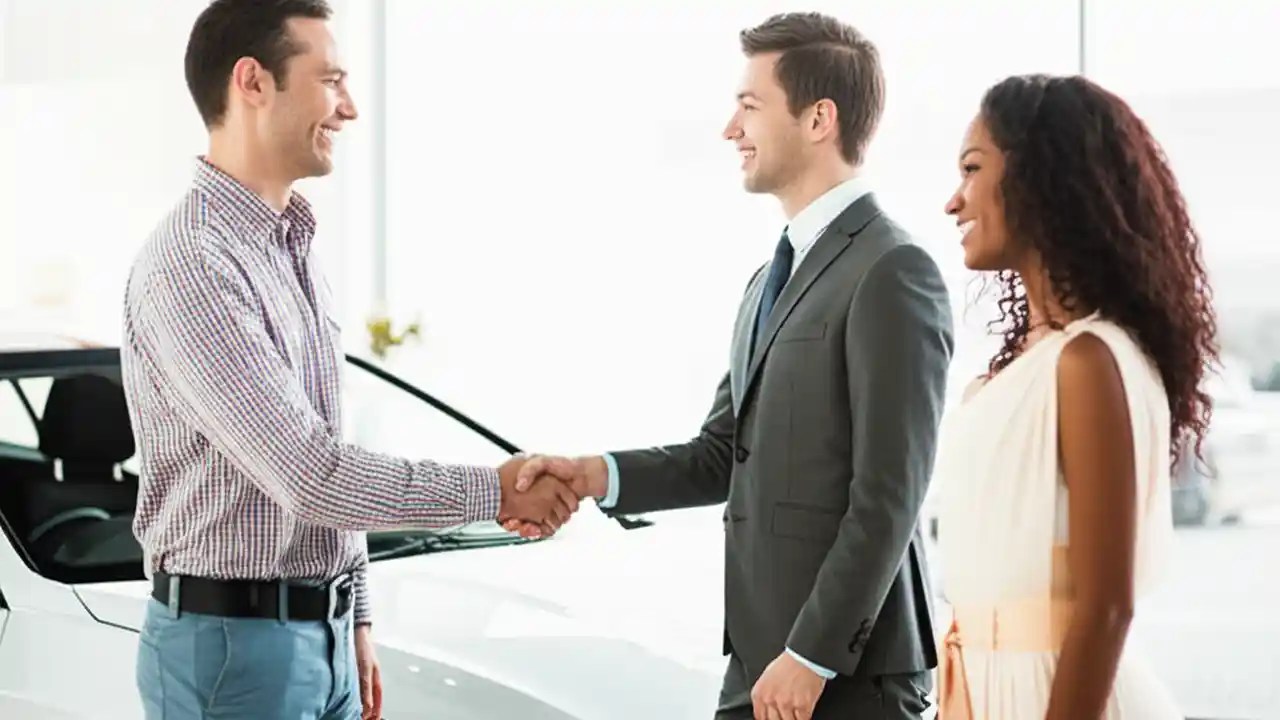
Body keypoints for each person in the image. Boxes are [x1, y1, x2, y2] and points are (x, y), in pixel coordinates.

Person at [120, 2, 580, 718]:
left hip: (315, 635)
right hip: (233, 652)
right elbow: (312, 475)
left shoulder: (288, 246)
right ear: (253, 82)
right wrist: (497, 492)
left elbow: (327, 446)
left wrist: (350, 612)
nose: (350, 107)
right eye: (330, 79)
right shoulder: (195, 264)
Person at [510, 12, 953, 719]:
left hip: (845, 676)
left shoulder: (893, 269)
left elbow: (889, 495)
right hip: (759, 662)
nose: (730, 129)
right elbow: (723, 454)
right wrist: (593, 475)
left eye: (749, 105)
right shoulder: (766, 282)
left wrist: (812, 656)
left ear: (819, 119)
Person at [934, 73, 1219, 719]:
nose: (953, 202)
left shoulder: (1087, 361)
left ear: (1040, 179)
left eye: (972, 169)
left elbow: (1106, 607)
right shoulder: (1024, 368)